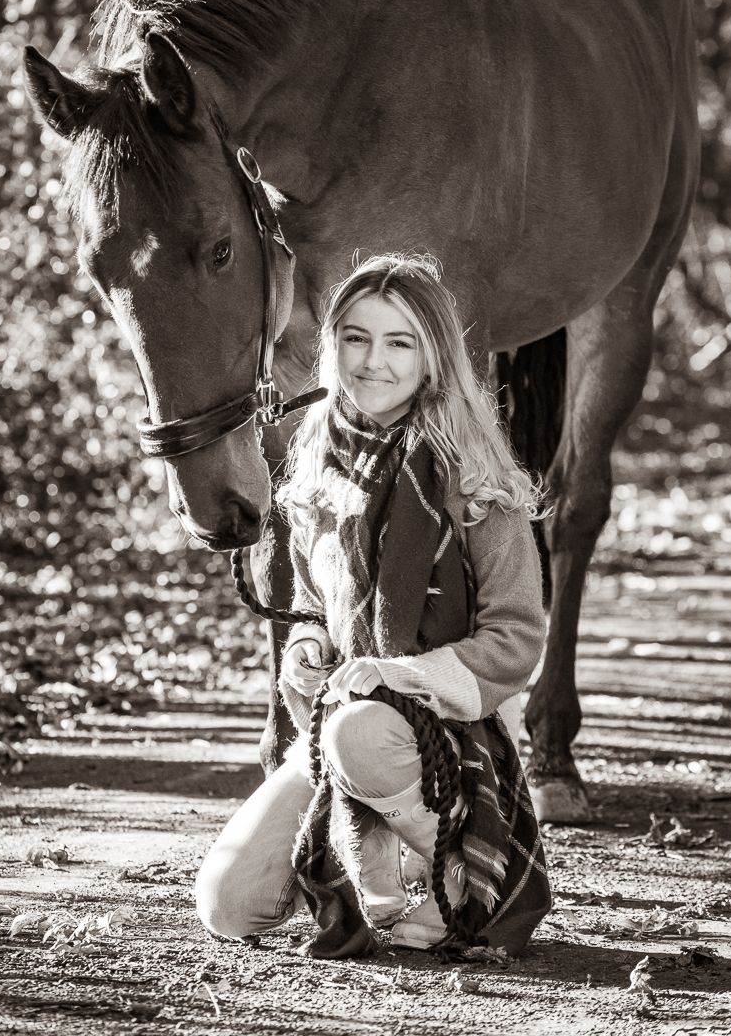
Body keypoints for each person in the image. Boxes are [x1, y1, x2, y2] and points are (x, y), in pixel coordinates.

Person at [195, 253, 551, 957]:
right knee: (229, 906)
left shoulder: (476, 478)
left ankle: (474, 868)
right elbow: (311, 603)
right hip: (340, 725)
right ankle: (379, 858)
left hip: (451, 736)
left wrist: (403, 676)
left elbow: (518, 641)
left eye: (400, 342)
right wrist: (305, 647)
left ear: (434, 357)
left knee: (361, 730)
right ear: (333, 347)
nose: (373, 361)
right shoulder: (321, 460)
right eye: (356, 337)